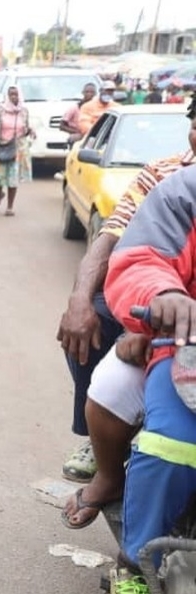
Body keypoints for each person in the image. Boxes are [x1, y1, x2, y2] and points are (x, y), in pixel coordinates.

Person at [56, 99, 196, 498]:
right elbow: (112, 238)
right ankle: (102, 449)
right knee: (91, 320)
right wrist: (79, 298)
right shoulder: (163, 174)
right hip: (159, 303)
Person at [102, 161, 196, 594]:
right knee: (170, 443)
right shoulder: (184, 191)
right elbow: (141, 258)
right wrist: (164, 295)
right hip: (188, 351)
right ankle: (134, 562)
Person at [0, 85, 34, 216]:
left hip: (18, 148)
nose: (13, 97)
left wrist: (31, 131)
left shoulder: (24, 110)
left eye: (16, 94)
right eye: (11, 94)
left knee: (13, 177)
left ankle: (10, 206)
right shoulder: (0, 110)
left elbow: (25, 127)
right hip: (1, 145)